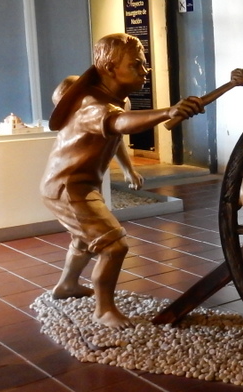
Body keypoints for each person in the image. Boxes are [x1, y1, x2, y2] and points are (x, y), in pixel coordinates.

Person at [41, 33, 204, 328]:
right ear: (110, 68)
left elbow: (114, 136)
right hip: (68, 187)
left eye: (144, 65)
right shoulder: (92, 103)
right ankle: (103, 310)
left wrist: (128, 169)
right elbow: (118, 124)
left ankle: (67, 285)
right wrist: (167, 111)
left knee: (83, 238)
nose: (145, 71)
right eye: (137, 65)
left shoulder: (118, 100)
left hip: (79, 184)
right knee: (113, 246)